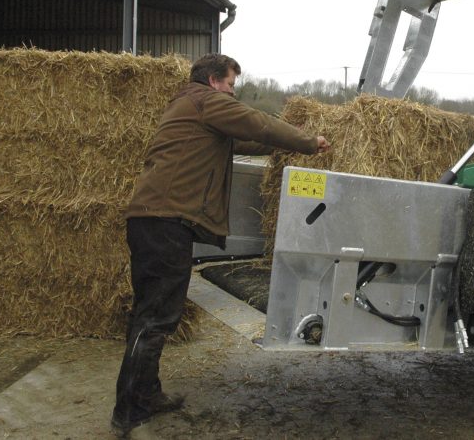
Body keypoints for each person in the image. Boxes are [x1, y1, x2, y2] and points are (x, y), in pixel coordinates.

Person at [111, 53, 330, 435]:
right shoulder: (206, 100)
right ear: (213, 80)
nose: (232, 92)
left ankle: (146, 394)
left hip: (154, 220)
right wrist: (309, 142)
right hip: (165, 222)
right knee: (156, 317)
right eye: (230, 84)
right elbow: (258, 123)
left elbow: (246, 139)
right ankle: (128, 410)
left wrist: (282, 145)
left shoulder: (191, 107)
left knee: (151, 314)